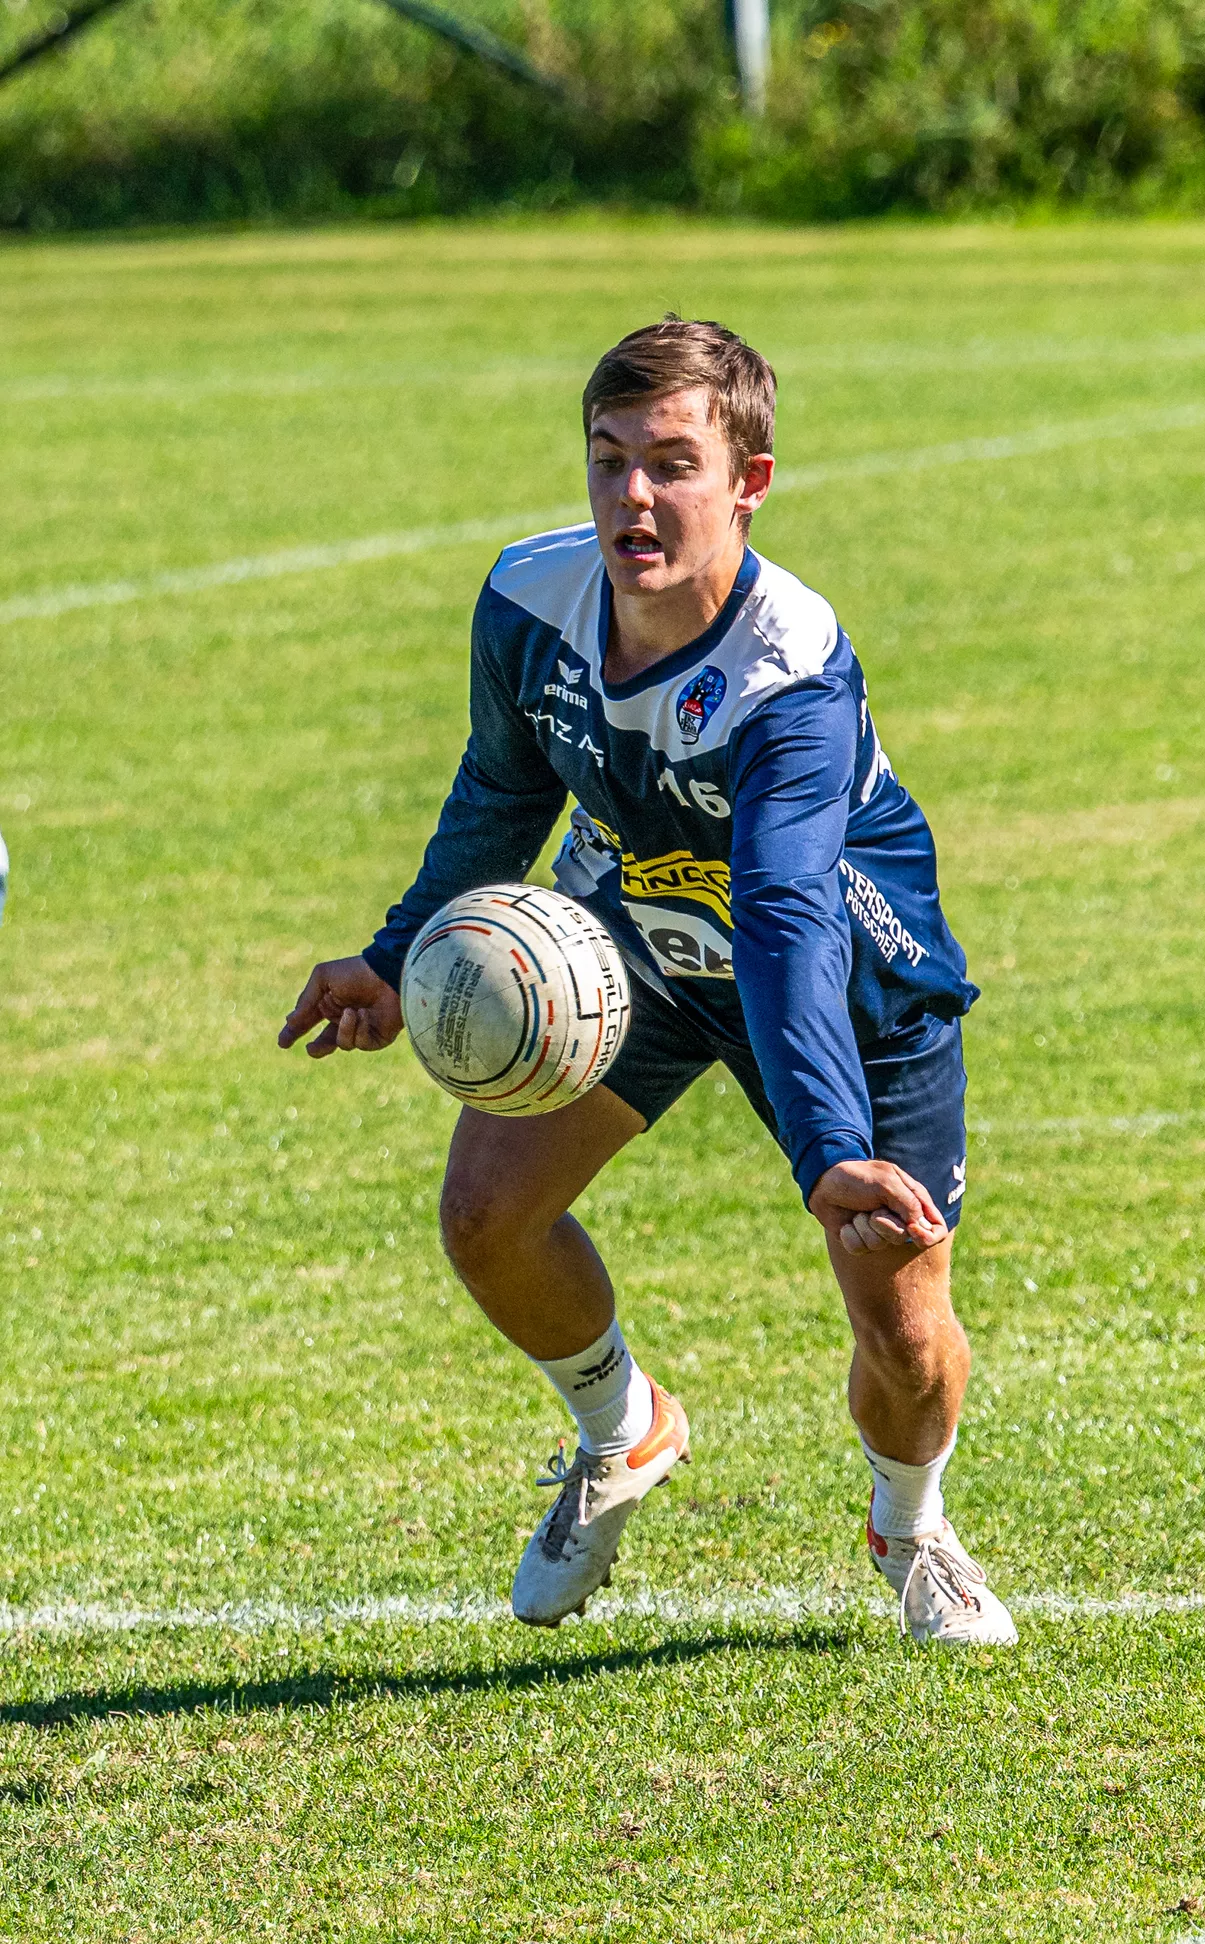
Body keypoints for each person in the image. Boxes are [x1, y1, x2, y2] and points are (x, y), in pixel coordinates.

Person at [280, 319, 1016, 1647]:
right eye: (610, 460)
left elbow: (789, 917)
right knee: (488, 1218)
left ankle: (912, 1526)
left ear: (751, 481)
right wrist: (396, 959)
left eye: (673, 463)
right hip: (636, 948)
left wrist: (829, 1154)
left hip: (848, 980)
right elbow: (504, 791)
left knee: (903, 1325)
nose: (633, 496)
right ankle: (625, 1431)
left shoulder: (788, 674)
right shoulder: (527, 604)